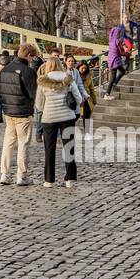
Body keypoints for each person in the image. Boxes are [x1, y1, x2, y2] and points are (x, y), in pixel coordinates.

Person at [35, 54, 84, 189]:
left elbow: (38, 105)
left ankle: (49, 180)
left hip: (49, 118)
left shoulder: (42, 81)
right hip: (67, 117)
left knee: (49, 150)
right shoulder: (68, 78)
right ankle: (70, 179)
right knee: (69, 149)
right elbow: (79, 98)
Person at [0, 44, 38, 185]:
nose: (33, 59)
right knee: (23, 144)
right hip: (23, 112)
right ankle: (21, 176)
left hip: (8, 112)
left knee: (8, 143)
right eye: (33, 56)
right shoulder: (28, 71)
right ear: (28, 55)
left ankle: (4, 174)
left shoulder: (5, 69)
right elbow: (33, 94)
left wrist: (6, 105)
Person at [104, 23, 130, 100]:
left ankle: (114, 84)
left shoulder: (111, 41)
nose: (119, 34)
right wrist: (127, 54)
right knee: (113, 77)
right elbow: (122, 52)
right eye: (119, 33)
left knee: (123, 71)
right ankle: (107, 94)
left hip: (111, 60)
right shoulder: (117, 41)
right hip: (115, 60)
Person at [77, 57, 97, 131]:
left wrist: (94, 100)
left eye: (85, 68)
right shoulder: (75, 75)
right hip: (77, 99)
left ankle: (87, 132)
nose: (83, 70)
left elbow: (92, 89)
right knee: (75, 117)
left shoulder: (89, 76)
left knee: (87, 116)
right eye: (82, 68)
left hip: (86, 99)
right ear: (78, 67)